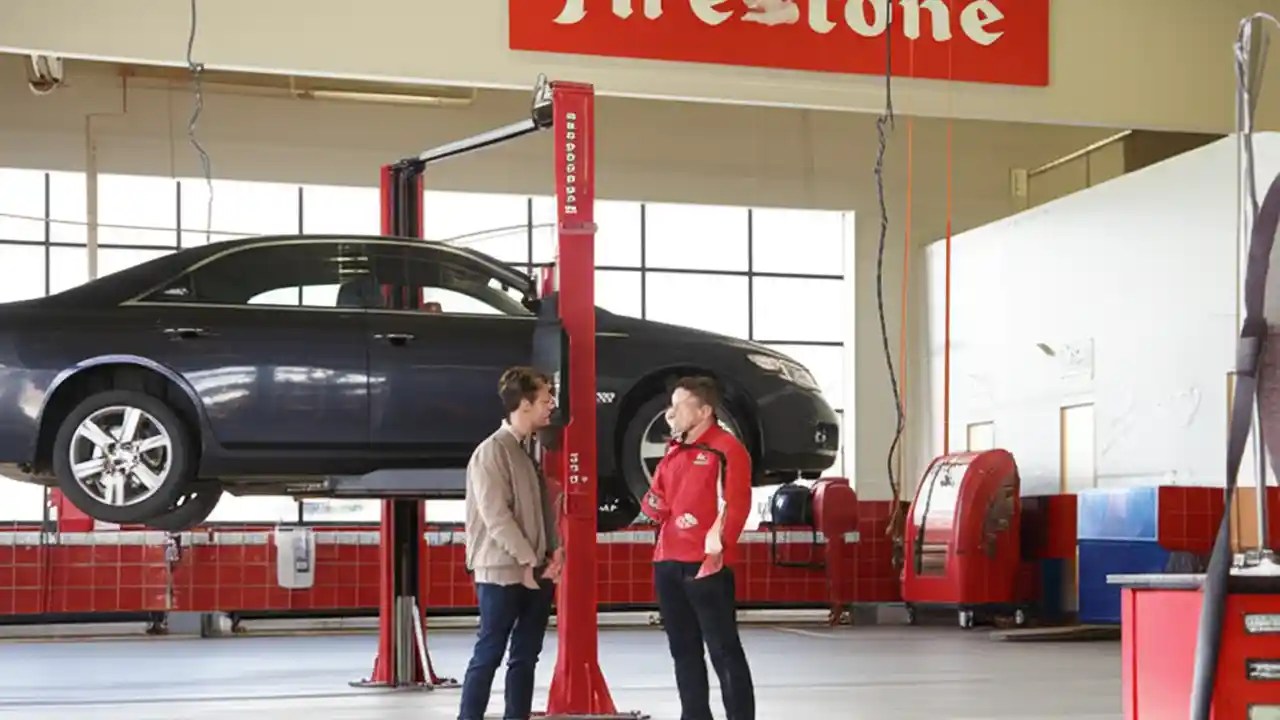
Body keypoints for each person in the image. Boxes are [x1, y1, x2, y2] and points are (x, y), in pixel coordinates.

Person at [640, 375, 756, 720]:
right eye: (670, 406)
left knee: (723, 650)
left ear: (704, 410)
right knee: (683, 651)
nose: (670, 414)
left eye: (679, 406)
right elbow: (655, 503)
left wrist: (716, 552)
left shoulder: (727, 448)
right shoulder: (673, 450)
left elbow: (736, 504)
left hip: (706, 565)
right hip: (667, 562)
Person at [458, 366, 564, 720]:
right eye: (546, 398)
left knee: (525, 655)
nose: (551, 405)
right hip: (502, 571)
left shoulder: (527, 450)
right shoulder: (492, 451)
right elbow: (496, 516)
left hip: (534, 567)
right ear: (524, 404)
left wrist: (554, 550)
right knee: (489, 651)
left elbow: (542, 508)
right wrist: (524, 561)